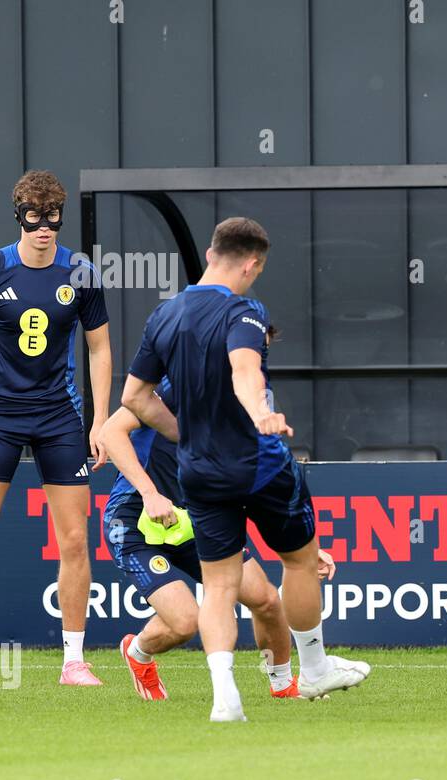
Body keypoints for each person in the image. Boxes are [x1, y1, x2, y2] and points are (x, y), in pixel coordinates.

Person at [123, 217, 368, 722]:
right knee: (300, 562)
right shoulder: (245, 309)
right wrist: (260, 413)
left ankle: (225, 698)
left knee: (218, 586)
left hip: (199, 474)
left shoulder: (164, 315)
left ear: (212, 254)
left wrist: (181, 433)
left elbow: (133, 398)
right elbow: (244, 368)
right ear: (253, 263)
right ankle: (315, 669)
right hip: (259, 465)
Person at [0, 171, 111, 689]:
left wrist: (99, 419)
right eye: (35, 218)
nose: (45, 228)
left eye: (53, 217)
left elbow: (99, 347)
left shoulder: (81, 272)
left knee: (75, 539)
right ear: (19, 217)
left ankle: (74, 660)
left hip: (59, 416)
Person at [100, 372, 339, 700]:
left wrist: (306, 549)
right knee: (185, 622)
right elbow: (110, 432)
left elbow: (256, 484)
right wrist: (150, 492)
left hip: (195, 517)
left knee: (267, 601)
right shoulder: (176, 387)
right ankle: (138, 653)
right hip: (134, 520)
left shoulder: (247, 401)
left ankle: (283, 684)